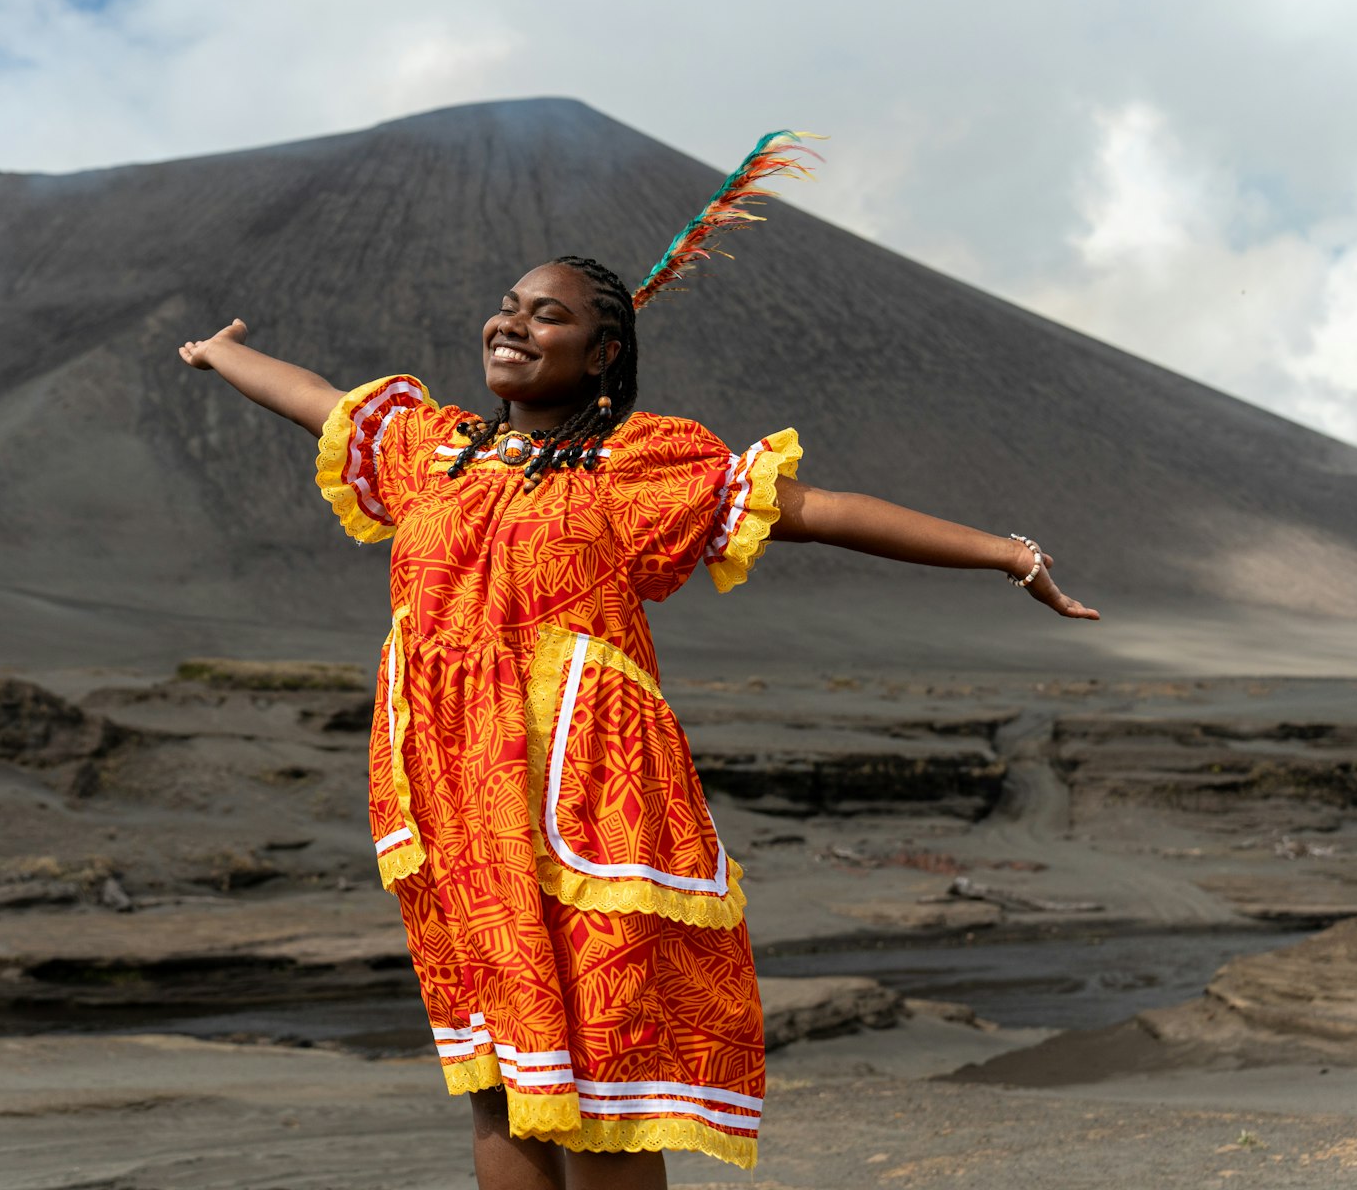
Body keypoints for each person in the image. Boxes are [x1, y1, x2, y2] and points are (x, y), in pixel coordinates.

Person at [176, 134, 1098, 1190]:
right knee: (500, 1074)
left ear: (604, 352)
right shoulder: (429, 450)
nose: (514, 323)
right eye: (511, 305)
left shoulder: (641, 469)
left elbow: (820, 510)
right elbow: (319, 402)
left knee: (608, 1079)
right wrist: (220, 352)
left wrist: (1007, 552)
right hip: (453, 792)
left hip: (589, 787)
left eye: (549, 314)